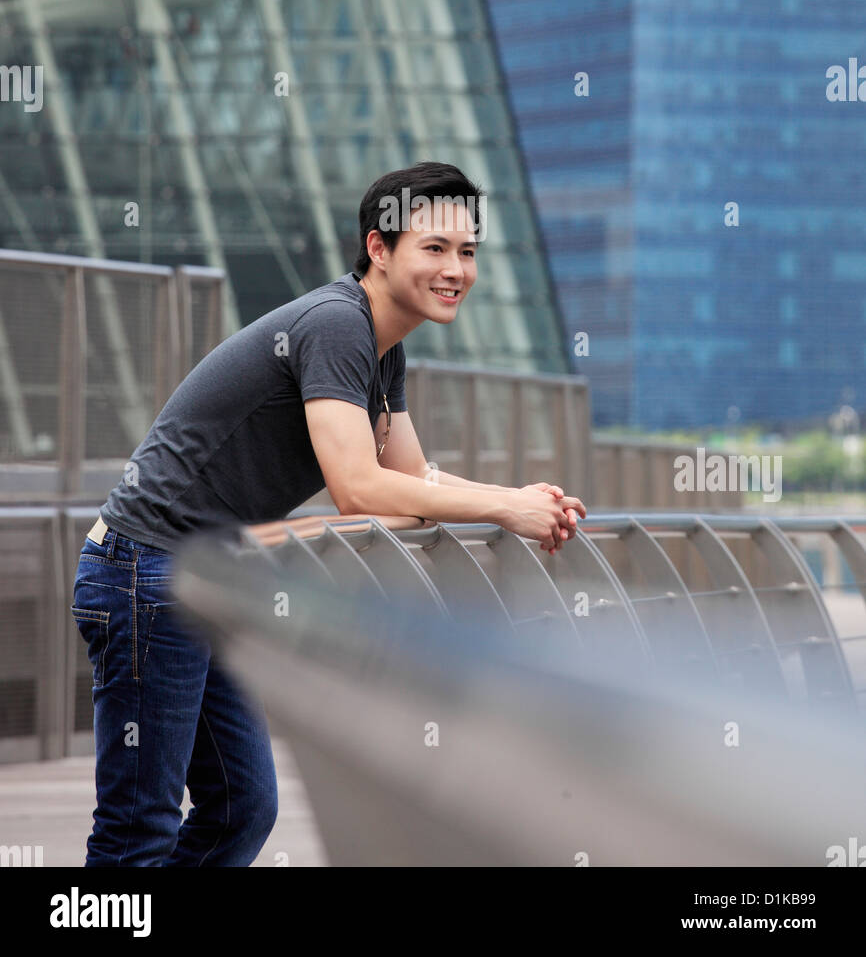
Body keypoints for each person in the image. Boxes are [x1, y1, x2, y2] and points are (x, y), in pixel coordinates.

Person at [70, 160, 586, 865]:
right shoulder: (338, 324)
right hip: (144, 570)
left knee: (241, 810)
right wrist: (501, 507)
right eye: (434, 249)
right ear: (379, 248)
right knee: (139, 828)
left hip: (198, 573)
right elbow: (361, 489)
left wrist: (524, 501)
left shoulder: (382, 347)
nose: (456, 269)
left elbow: (410, 479)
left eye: (467, 252)